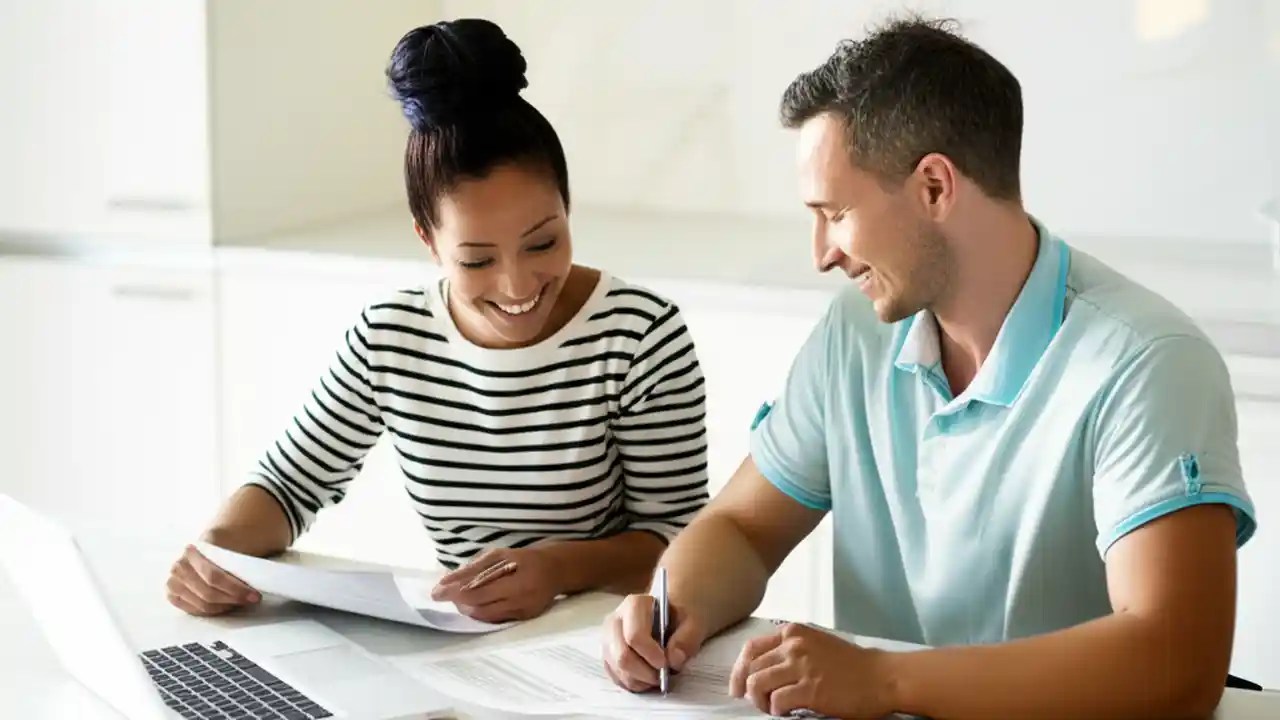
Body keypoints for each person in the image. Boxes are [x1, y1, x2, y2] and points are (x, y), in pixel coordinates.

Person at [603, 16, 1256, 720]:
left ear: (936, 187)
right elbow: (741, 526)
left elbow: (1175, 664)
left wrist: (885, 681)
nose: (821, 252)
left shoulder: (1147, 363)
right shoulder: (854, 333)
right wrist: (670, 606)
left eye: (837, 212)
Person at [165, 18, 709, 624]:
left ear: (567, 206)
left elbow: (681, 542)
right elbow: (289, 484)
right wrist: (214, 552)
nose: (517, 285)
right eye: (477, 259)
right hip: (466, 648)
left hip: (609, 650)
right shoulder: (390, 338)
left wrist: (555, 569)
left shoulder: (638, 335)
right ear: (428, 241)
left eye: (543, 242)